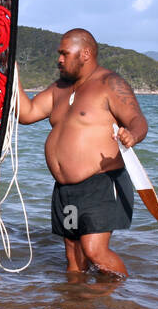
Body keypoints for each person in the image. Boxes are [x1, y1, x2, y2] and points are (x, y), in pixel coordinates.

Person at [14, 28, 149, 278]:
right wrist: (14, 75)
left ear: (85, 53)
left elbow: (138, 120)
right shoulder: (59, 89)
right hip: (66, 190)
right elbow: (27, 113)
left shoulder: (109, 84)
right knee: (74, 257)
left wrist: (132, 135)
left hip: (101, 183)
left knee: (94, 251)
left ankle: (119, 304)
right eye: (60, 54)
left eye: (65, 53)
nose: (60, 60)